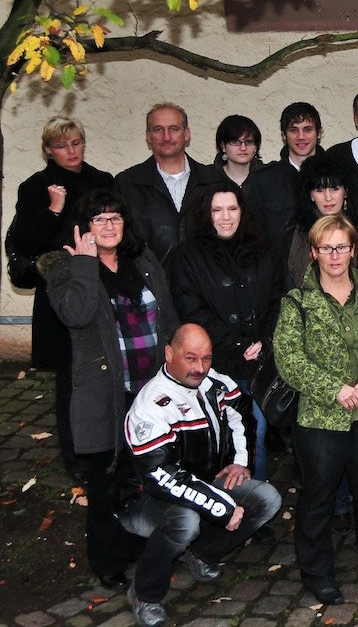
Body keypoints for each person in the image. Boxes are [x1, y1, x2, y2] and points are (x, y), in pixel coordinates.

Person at [39, 188, 178, 592]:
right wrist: (83, 263)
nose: (108, 226)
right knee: (104, 481)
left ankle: (145, 547)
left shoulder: (143, 259)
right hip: (104, 393)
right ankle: (108, 560)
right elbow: (76, 314)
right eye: (99, 219)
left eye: (115, 217)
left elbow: (166, 314)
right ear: (84, 227)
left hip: (150, 390)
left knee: (150, 473)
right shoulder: (66, 269)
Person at [273, 214, 358, 604]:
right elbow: (289, 358)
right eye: (326, 247)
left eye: (341, 246)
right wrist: (335, 389)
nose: (335, 254)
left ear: (353, 249)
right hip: (321, 419)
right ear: (313, 252)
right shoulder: (298, 301)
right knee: (318, 497)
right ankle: (317, 573)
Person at [121, 324, 281, 627]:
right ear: (169, 353)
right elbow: (159, 475)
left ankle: (202, 554)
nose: (200, 368)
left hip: (201, 483)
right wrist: (220, 506)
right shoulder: (151, 405)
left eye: (206, 359)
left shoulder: (215, 382)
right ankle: (145, 594)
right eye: (191, 358)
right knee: (185, 520)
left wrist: (241, 462)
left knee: (267, 498)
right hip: (146, 495)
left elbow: (243, 415)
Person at [7, 115, 114, 481]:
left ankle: (107, 448)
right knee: (70, 377)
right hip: (58, 293)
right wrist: (53, 209)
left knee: (102, 369)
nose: (71, 151)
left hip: (98, 288)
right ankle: (76, 459)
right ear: (48, 150)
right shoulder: (36, 186)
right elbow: (25, 243)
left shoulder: (102, 181)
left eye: (76, 142)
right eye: (61, 145)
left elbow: (113, 229)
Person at [166, 185, 283, 495]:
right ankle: (215, 501)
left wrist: (263, 341)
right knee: (216, 437)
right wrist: (237, 343)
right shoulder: (185, 258)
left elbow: (278, 299)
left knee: (253, 433)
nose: (225, 217)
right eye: (217, 210)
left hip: (258, 362)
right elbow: (191, 311)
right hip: (213, 364)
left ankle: (253, 499)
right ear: (206, 214)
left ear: (242, 211)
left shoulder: (265, 250)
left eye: (232, 209)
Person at [115, 103, 227, 262]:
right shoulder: (126, 184)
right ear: (148, 136)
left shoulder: (214, 181)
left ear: (187, 134)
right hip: (148, 284)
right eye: (158, 129)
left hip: (204, 282)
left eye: (174, 129)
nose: (166, 137)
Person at [283, 153, 358, 289]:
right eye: (320, 190)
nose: (328, 198)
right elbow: (286, 284)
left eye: (334, 189)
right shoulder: (295, 232)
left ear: (345, 191)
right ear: (310, 194)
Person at [245, 102, 325, 249]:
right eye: (293, 130)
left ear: (319, 133)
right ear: (284, 135)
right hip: (279, 270)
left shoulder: (337, 176)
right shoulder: (264, 181)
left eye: (307, 129)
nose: (301, 136)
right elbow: (253, 237)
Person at [212, 115, 262, 189]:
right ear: (223, 146)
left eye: (249, 142)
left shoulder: (268, 177)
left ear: (256, 146)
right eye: (235, 142)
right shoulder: (208, 179)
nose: (243, 148)